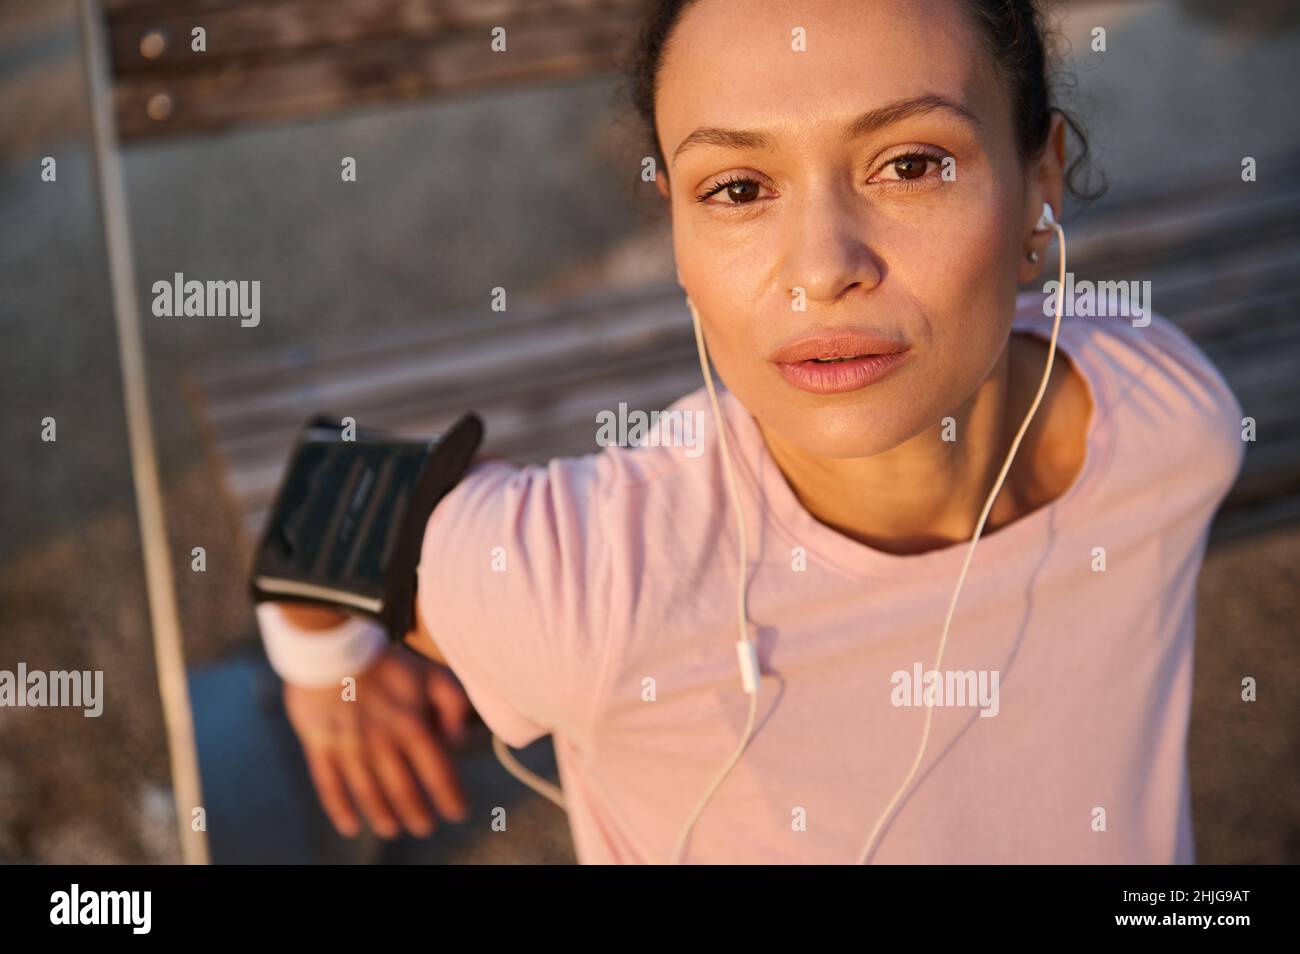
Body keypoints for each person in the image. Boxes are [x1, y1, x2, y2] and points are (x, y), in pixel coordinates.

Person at [260, 0, 1243, 863]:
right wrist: (327, 673)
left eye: (908, 164)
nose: (821, 266)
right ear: (677, 232)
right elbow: (320, 499)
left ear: (1040, 187)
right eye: (735, 188)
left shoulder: (1166, 423)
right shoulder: (596, 582)